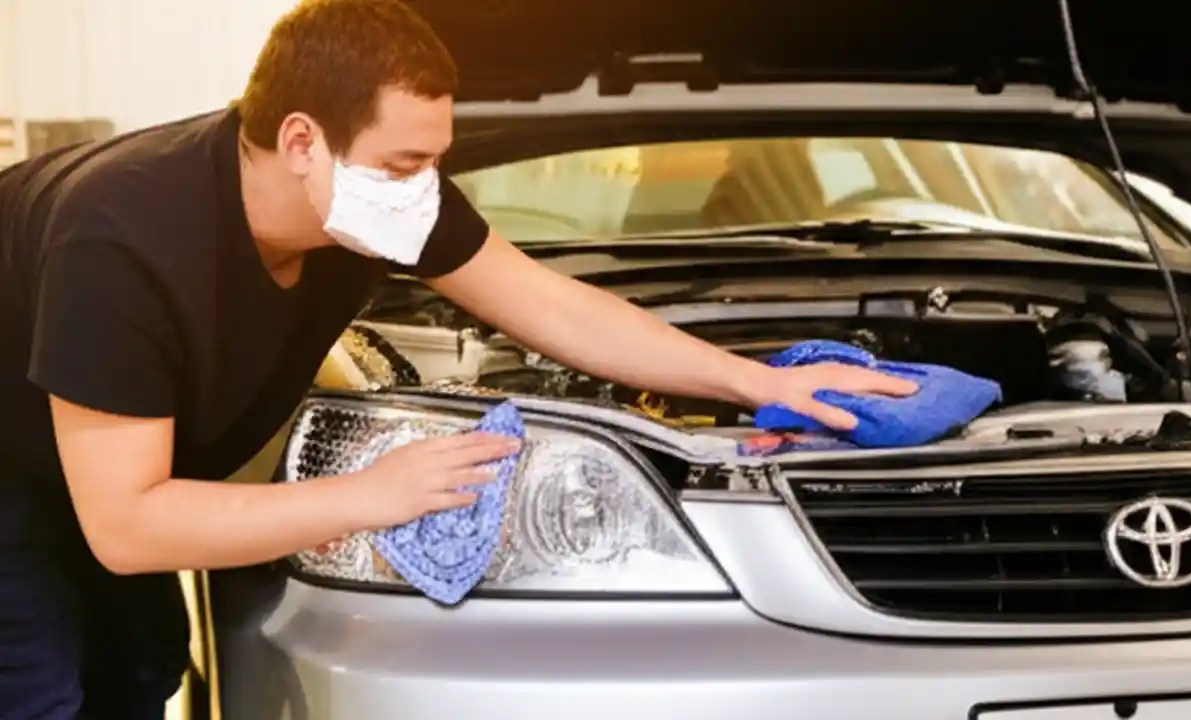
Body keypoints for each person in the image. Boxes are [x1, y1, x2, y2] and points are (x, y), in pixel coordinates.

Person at [0, 0, 916, 717]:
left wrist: (761, 382)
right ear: (300, 141)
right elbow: (128, 528)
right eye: (403, 164)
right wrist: (372, 493)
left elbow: (551, 307)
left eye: (435, 163)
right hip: (13, 466)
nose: (423, 192)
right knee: (39, 691)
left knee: (138, 674)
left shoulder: (379, 198)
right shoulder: (124, 239)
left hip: (95, 459)